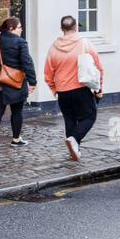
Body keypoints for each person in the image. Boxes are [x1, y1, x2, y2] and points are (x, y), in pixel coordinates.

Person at [44, 15, 104, 161]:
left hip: (62, 91)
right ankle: (75, 140)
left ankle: (74, 152)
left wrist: (54, 89)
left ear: (61, 28)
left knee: (69, 120)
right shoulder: (84, 43)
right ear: (76, 27)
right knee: (89, 116)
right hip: (80, 88)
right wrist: (99, 87)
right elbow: (98, 65)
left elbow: (48, 72)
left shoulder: (54, 47)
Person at [0, 16, 37, 152]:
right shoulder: (21, 42)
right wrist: (32, 81)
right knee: (17, 111)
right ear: (11, 28)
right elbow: (27, 62)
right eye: (19, 27)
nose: (21, 29)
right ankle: (16, 139)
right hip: (14, 81)